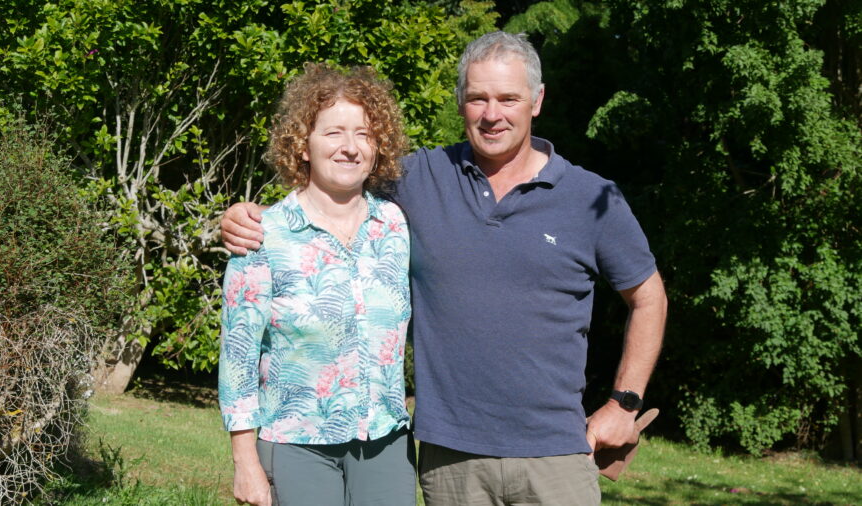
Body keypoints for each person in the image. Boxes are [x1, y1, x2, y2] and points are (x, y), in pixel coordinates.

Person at [222, 32, 668, 506]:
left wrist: (624, 404)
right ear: (461, 103)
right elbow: (333, 180)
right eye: (477, 98)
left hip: (555, 456)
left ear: (537, 101)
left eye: (507, 98)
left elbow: (649, 298)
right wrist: (241, 217)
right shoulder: (417, 180)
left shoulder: (591, 199)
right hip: (450, 459)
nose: (491, 113)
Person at [218, 63, 415, 506]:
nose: (350, 148)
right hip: (295, 443)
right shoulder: (264, 233)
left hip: (385, 442)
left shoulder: (394, 225)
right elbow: (238, 359)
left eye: (364, 134)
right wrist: (245, 463)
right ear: (302, 145)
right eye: (333, 133)